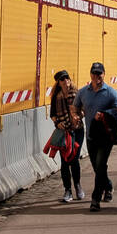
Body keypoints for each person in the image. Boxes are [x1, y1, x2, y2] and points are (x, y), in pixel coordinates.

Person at [76, 62, 117, 212]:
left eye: (100, 73)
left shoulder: (111, 93)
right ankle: (108, 186)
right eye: (94, 73)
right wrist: (76, 116)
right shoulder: (83, 92)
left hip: (105, 137)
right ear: (91, 75)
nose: (97, 76)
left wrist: (105, 114)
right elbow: (75, 107)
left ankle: (95, 199)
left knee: (100, 165)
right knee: (97, 167)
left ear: (104, 74)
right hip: (91, 137)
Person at [50, 69, 85, 202]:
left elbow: (83, 110)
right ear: (58, 83)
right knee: (65, 161)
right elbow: (52, 114)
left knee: (74, 159)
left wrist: (78, 116)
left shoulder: (77, 94)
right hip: (64, 132)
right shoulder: (56, 97)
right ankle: (67, 190)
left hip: (77, 130)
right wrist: (58, 122)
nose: (66, 81)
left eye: (67, 79)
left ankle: (77, 185)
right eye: (62, 79)